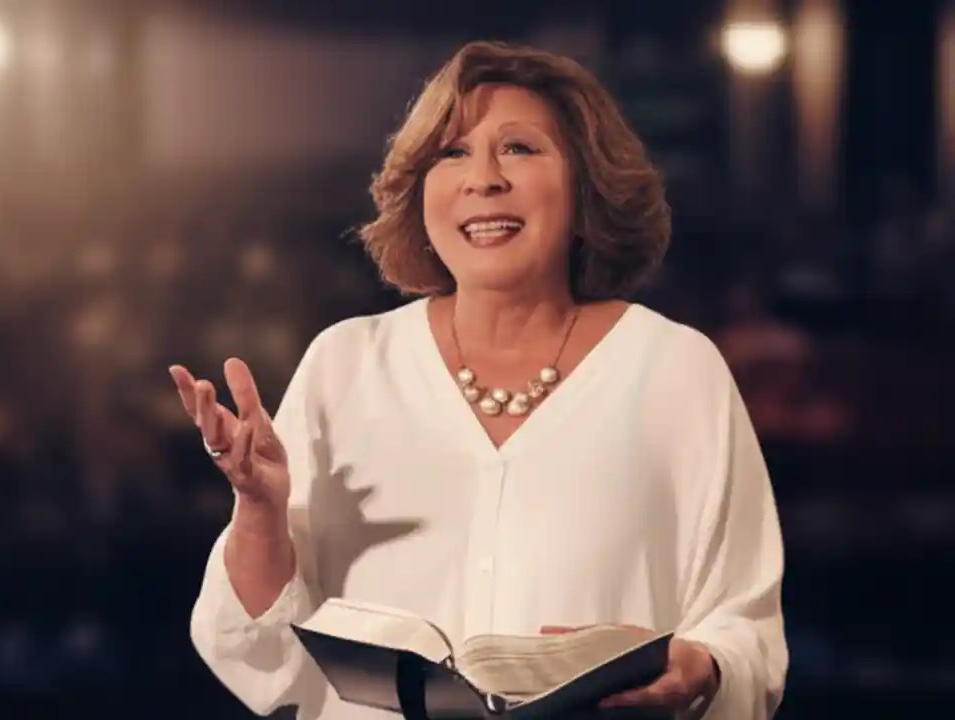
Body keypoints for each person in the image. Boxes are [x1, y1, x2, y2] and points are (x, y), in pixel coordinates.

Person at [171, 40, 786, 720]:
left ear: (586, 185)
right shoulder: (344, 364)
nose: (483, 179)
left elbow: (746, 631)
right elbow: (265, 653)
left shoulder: (675, 369)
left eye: (519, 148)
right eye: (452, 153)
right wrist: (260, 512)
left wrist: (700, 668)